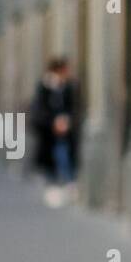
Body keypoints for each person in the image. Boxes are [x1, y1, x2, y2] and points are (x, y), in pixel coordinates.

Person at [30, 56, 78, 205]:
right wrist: (53, 122)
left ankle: (68, 183)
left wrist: (66, 121)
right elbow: (39, 109)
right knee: (52, 158)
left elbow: (71, 107)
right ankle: (54, 186)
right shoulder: (44, 86)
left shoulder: (67, 87)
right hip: (49, 131)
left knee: (64, 154)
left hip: (65, 130)